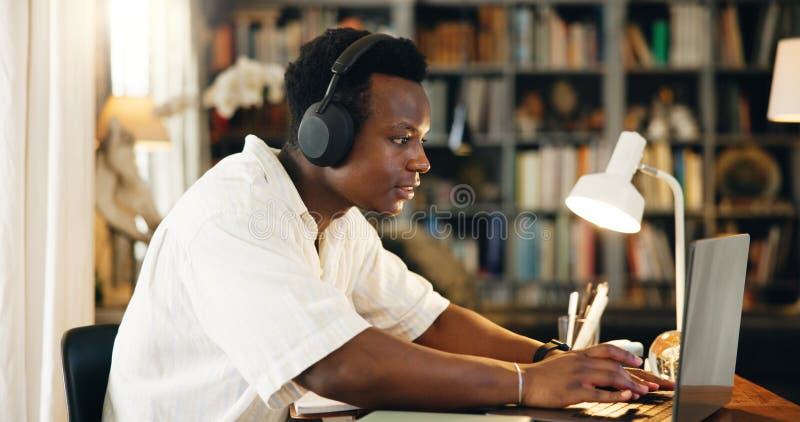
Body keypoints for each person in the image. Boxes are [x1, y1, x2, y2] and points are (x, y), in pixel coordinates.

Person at [102, 28, 672, 422]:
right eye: (402, 139)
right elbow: (339, 365)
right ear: (326, 135)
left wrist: (549, 359)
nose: (421, 161)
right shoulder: (236, 216)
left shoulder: (339, 220)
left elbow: (427, 321)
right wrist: (527, 384)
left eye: (420, 141)